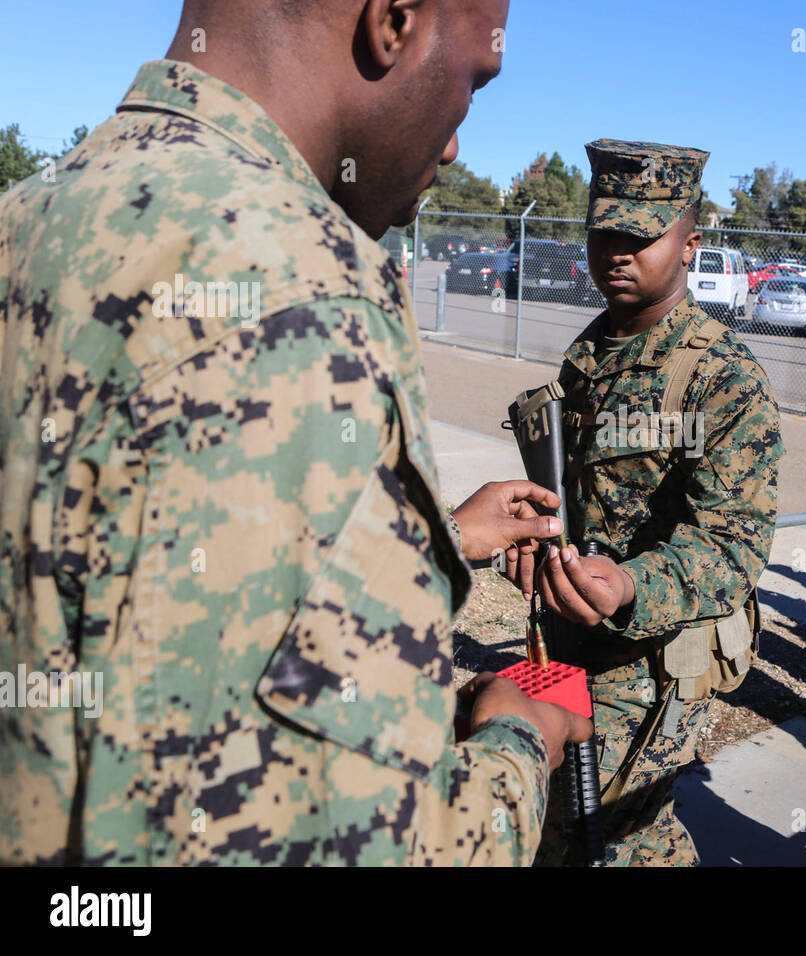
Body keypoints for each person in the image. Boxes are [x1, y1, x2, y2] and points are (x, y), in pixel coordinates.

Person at [0, 0, 593, 866]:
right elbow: (335, 844)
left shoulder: (33, 218)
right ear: (395, 20)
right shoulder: (303, 292)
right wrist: (518, 744)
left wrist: (433, 541)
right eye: (475, 80)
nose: (460, 139)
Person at [512, 139, 784, 866]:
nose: (618, 253)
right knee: (556, 827)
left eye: (641, 236)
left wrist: (631, 582)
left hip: (651, 662)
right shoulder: (592, 350)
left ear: (690, 244)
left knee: (622, 838)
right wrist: (537, 543)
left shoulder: (721, 376)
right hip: (562, 639)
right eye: (605, 233)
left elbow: (734, 549)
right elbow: (577, 496)